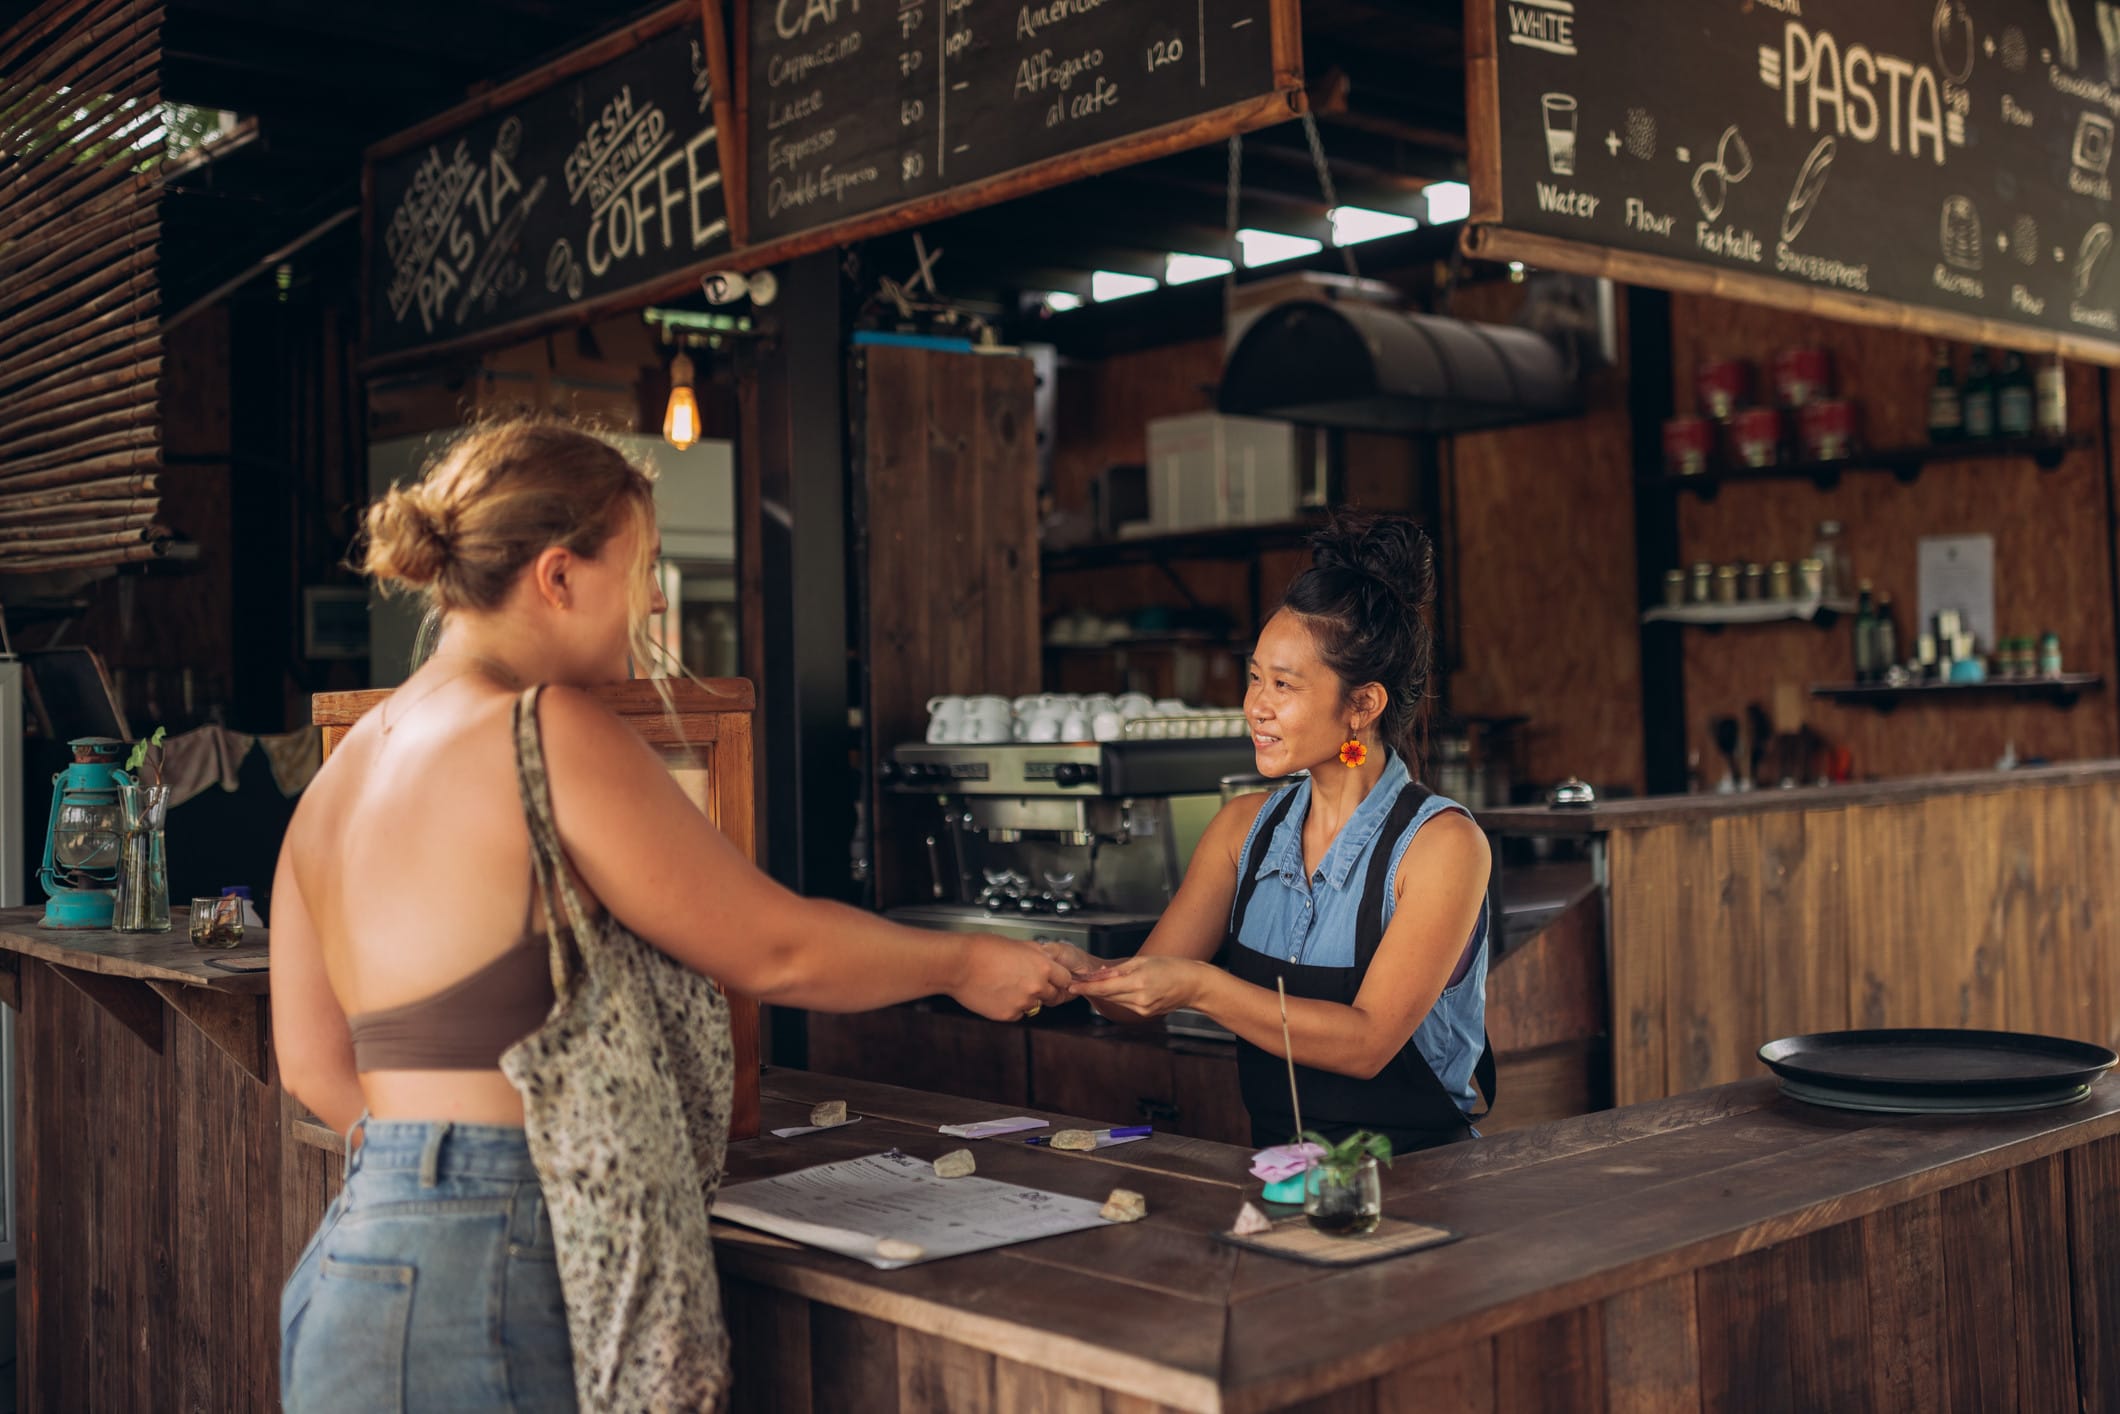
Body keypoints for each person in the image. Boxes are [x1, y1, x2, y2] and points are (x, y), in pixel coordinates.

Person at [272, 420, 1071, 1412]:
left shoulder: (336, 776)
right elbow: (773, 946)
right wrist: (959, 962)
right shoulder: (542, 730)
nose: (653, 598)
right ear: (558, 576)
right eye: (643, 565)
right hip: (491, 1270)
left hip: (356, 1261)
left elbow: (311, 1062)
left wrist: (429, 1175)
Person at [1066, 511, 1493, 1155]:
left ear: (1362, 705)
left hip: (1421, 1185)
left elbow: (1368, 1043)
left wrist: (1202, 987)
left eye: (1284, 685)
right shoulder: (1243, 831)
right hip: (1278, 1182)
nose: (1255, 706)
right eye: (1255, 676)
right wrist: (1082, 977)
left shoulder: (1441, 846)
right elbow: (1139, 998)